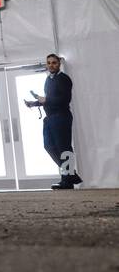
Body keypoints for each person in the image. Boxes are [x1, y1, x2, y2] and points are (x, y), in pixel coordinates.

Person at [25, 53, 82, 189]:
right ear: (46, 64)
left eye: (54, 62)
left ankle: (67, 181)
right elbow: (48, 100)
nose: (51, 65)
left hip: (61, 117)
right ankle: (70, 175)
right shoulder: (48, 80)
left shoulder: (64, 79)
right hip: (49, 118)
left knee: (64, 148)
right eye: (49, 63)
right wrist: (34, 103)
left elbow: (65, 99)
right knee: (49, 146)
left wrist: (46, 100)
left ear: (59, 64)